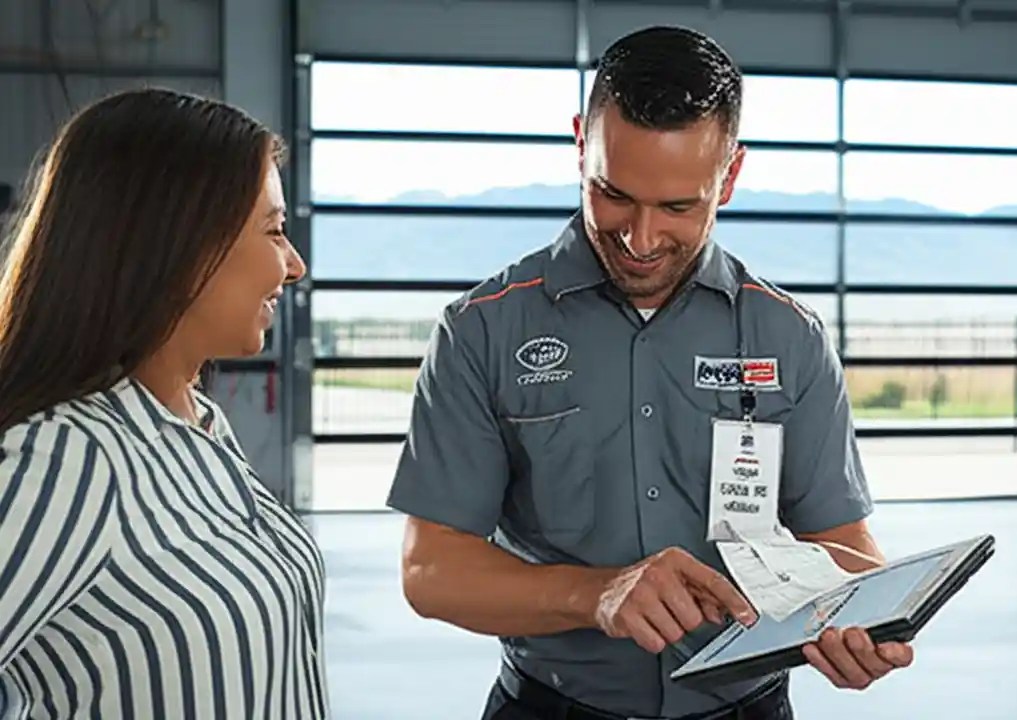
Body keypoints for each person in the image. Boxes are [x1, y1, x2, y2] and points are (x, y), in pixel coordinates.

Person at [389, 26, 913, 719]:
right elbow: (432, 571)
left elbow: (841, 544)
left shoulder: (790, 339)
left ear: (729, 176)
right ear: (581, 143)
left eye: (678, 207)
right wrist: (596, 594)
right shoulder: (482, 329)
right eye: (613, 195)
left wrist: (868, 619)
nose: (640, 239)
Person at [0, 88, 327, 718]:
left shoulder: (199, 427)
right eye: (275, 230)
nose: (295, 265)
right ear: (181, 246)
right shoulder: (67, 458)